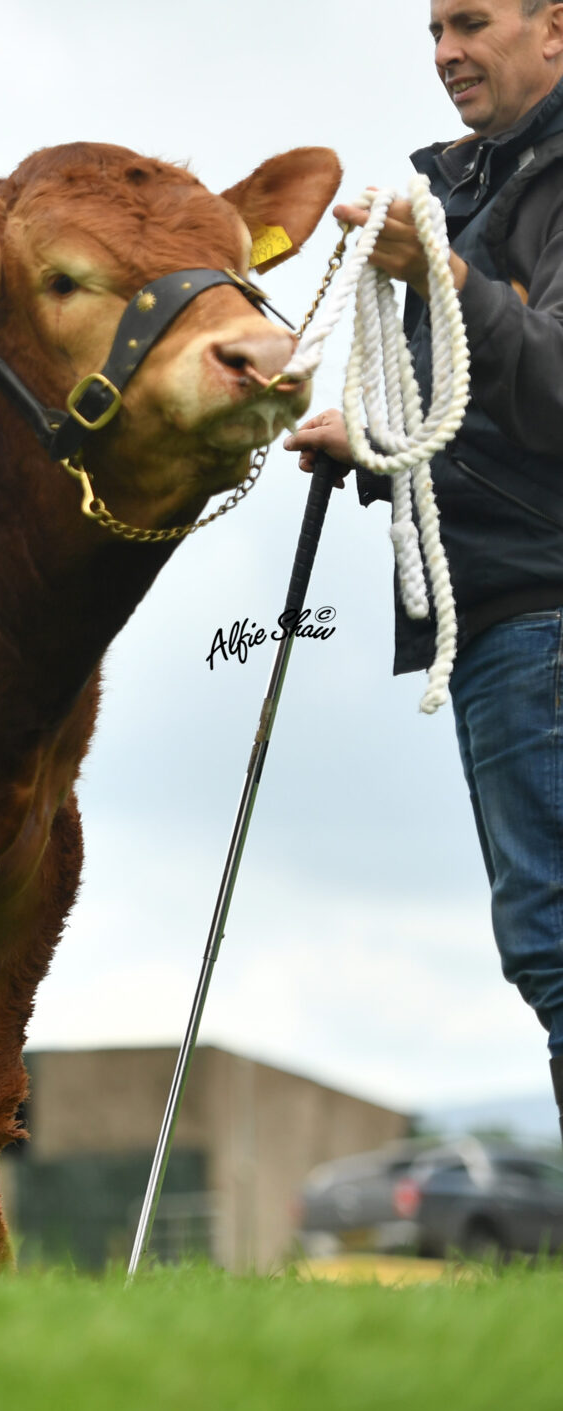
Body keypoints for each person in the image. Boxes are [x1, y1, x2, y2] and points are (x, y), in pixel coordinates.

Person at [285, 0, 563, 1141]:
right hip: (512, 618)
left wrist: (438, 276)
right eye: (431, 30)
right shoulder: (483, 183)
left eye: (470, 21)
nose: (444, 51)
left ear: (553, 24)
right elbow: (481, 408)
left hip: (539, 619)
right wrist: (370, 435)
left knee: (555, 948)